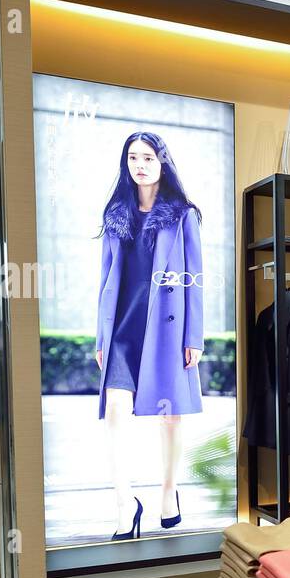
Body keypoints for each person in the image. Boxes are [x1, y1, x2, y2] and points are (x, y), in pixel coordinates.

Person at [95, 130, 205, 539]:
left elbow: (195, 279)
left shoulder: (182, 215)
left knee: (169, 416)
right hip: (122, 330)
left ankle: (168, 490)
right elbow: (104, 279)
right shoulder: (115, 214)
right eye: (132, 158)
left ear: (162, 162)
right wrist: (100, 339)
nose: (139, 165)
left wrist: (194, 335)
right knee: (115, 413)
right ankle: (125, 503)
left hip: (165, 329)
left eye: (147, 158)